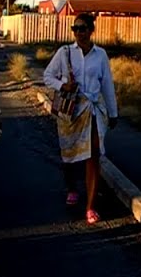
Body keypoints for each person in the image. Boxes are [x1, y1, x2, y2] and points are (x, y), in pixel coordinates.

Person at [42, 12, 118, 223]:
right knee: (70, 154)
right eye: (75, 28)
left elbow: (107, 84)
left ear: (91, 30)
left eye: (82, 28)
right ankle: (72, 187)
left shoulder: (100, 55)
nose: (78, 33)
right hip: (71, 111)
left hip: (93, 109)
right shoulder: (64, 52)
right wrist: (62, 85)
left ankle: (91, 206)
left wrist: (113, 113)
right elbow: (47, 76)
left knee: (93, 155)